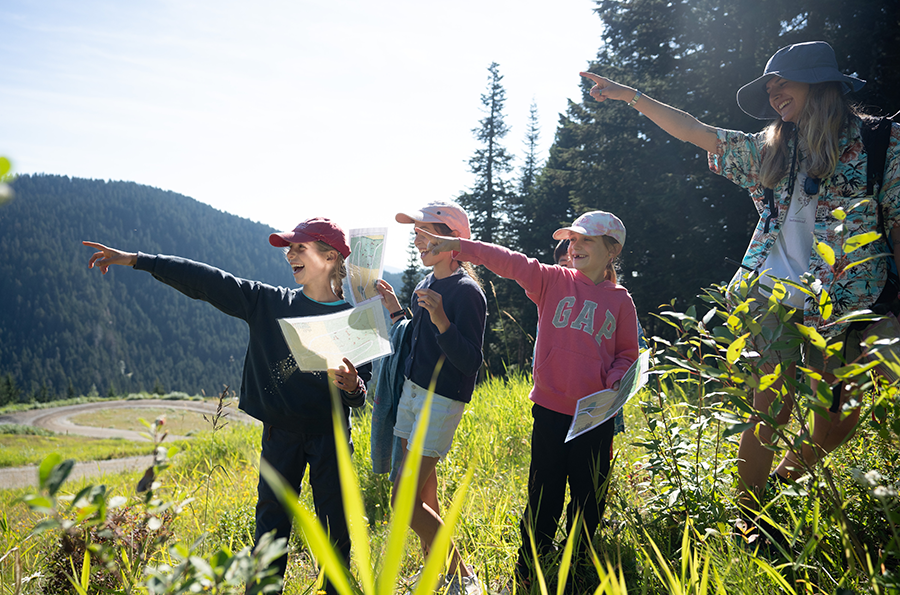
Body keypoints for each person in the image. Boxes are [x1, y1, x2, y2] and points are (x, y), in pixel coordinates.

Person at [580, 41, 900, 522]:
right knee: (771, 407)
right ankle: (748, 521)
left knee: (838, 421)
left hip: (845, 298)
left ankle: (781, 485)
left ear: (819, 83)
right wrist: (633, 96)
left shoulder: (882, 144)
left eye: (782, 82)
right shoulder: (770, 149)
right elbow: (697, 132)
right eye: (768, 86)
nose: (773, 93)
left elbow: (895, 222)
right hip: (771, 294)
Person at [83, 217, 372, 595]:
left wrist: (352, 385)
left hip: (331, 437)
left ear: (330, 256)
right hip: (280, 435)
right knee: (270, 527)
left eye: (299, 248)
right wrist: (138, 259)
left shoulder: (352, 320)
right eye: (289, 248)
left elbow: (360, 390)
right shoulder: (268, 303)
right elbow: (208, 281)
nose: (290, 255)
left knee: (333, 527)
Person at [418, 210, 639, 593]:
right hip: (551, 413)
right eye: (572, 239)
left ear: (612, 250)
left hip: (594, 419)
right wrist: (463, 247)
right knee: (544, 494)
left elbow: (626, 353)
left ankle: (578, 567)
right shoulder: (552, 280)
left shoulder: (621, 302)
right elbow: (510, 262)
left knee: (589, 498)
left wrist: (617, 378)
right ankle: (529, 569)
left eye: (586, 240)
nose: (575, 246)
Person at [373, 201, 487, 595]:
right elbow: (416, 342)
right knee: (423, 491)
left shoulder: (467, 292)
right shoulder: (427, 281)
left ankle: (461, 572)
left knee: (402, 501)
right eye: (417, 232)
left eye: (426, 232)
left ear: (452, 241)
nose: (418, 238)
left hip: (441, 400)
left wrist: (442, 321)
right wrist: (395, 311)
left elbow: (471, 360)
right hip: (412, 393)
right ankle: (436, 570)